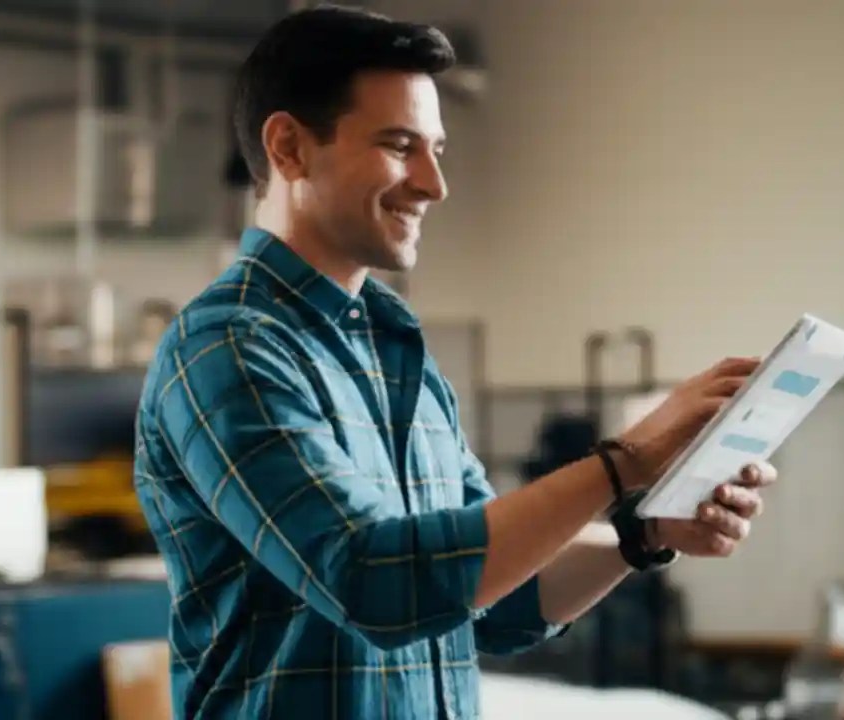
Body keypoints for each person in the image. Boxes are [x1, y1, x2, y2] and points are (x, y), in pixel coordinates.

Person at [133, 5, 777, 719]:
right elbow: (376, 584)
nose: (433, 184)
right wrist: (628, 460)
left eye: (435, 150)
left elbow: (494, 600)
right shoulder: (228, 349)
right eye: (400, 144)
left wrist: (643, 533)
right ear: (288, 147)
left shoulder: (394, 348)